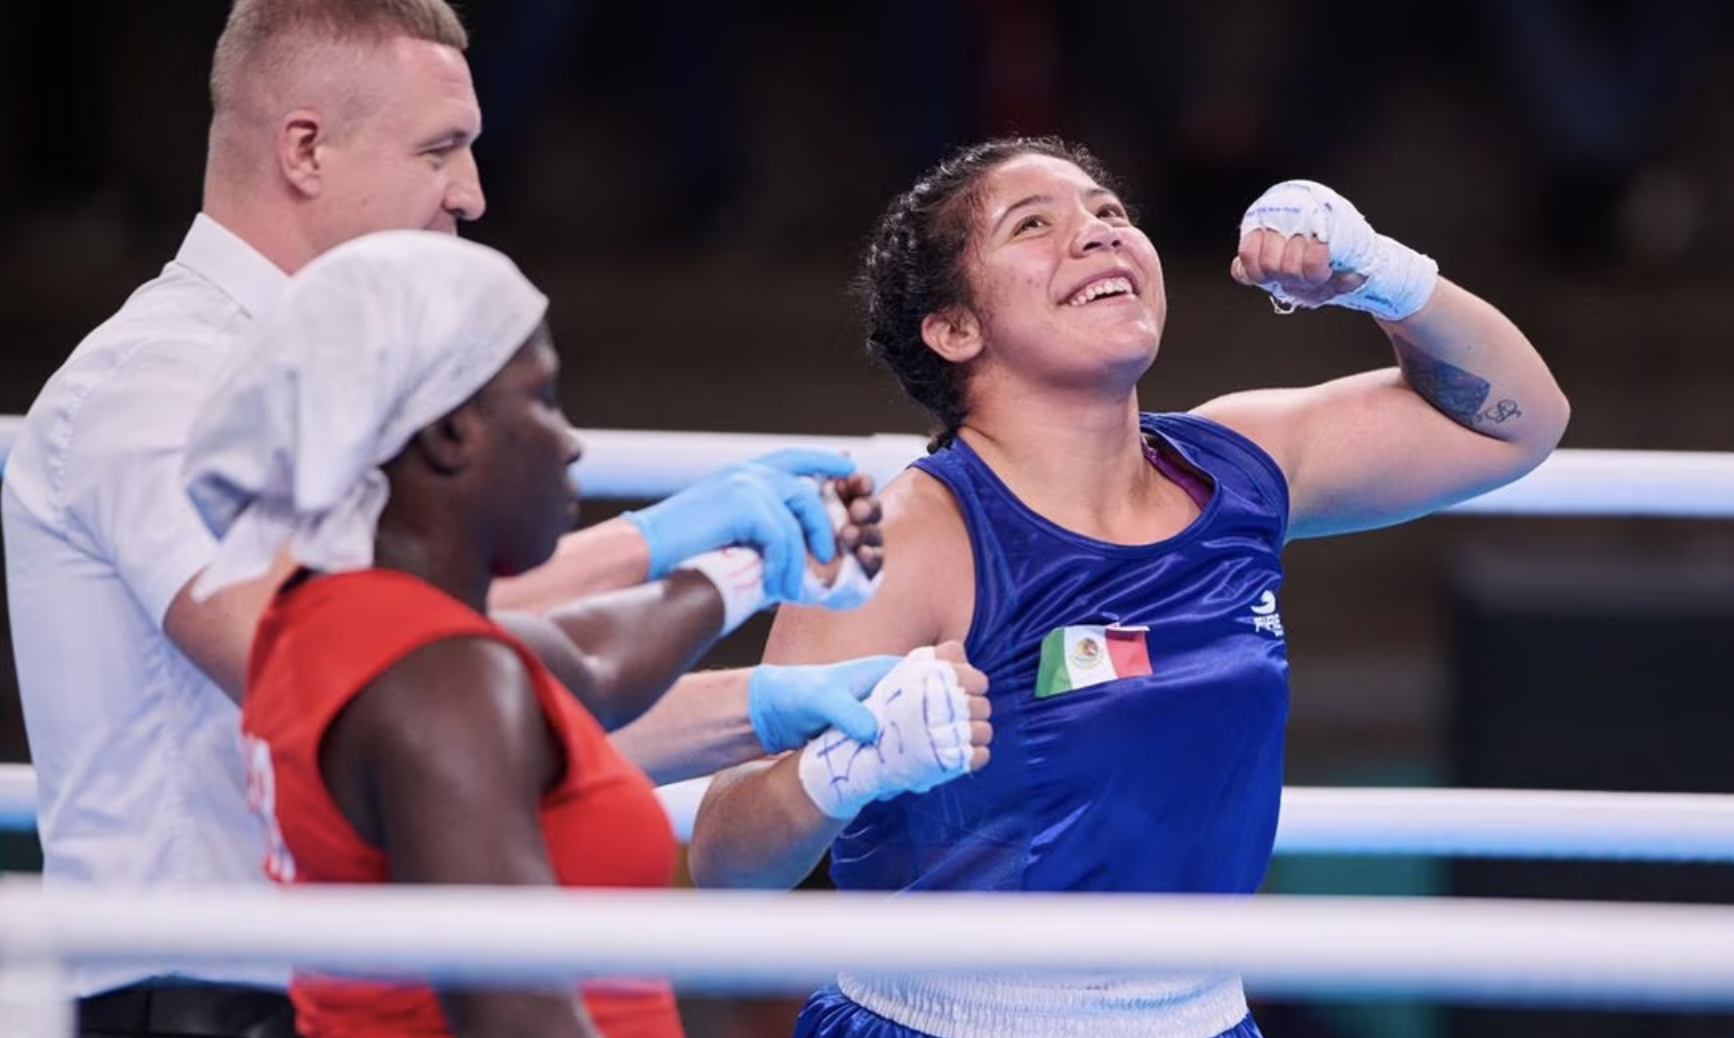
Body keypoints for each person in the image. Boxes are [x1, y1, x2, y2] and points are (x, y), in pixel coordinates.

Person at [0, 1, 911, 1032]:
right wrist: (666, 541)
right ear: (304, 148)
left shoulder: (356, 401)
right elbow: (354, 663)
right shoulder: (160, 385)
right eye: (441, 149)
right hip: (208, 994)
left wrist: (765, 703)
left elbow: (487, 709)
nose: (472, 193)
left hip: (341, 984)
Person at [686, 136, 1572, 1037]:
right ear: (956, 329)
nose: (1098, 234)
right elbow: (724, 858)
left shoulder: (1241, 465)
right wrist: (843, 770)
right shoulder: (907, 537)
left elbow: (1521, 424)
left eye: (1110, 213)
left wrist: (1383, 277)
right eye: (1034, 224)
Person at [181, 228, 992, 1038]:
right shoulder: (440, 687)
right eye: (539, 400)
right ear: (451, 435)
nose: (569, 442)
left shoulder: (336, 621)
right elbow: (517, 1013)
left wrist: (745, 571)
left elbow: (590, 666)